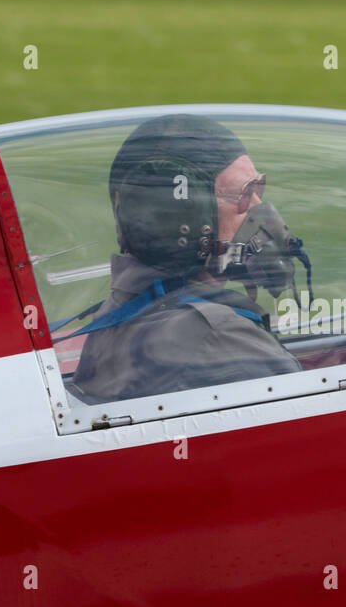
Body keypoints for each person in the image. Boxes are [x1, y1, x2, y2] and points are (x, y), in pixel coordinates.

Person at [68, 114, 300, 402]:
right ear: (181, 217)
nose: (260, 208)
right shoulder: (219, 334)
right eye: (244, 194)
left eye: (259, 189)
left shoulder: (118, 309)